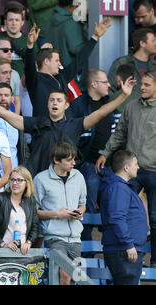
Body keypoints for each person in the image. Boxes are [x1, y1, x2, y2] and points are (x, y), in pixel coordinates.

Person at [0, 74, 135, 176]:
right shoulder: (37, 122)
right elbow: (7, 114)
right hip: (38, 178)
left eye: (59, 100)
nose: (55, 103)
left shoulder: (75, 125)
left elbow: (100, 113)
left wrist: (124, 95)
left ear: (66, 106)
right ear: (48, 104)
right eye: (51, 100)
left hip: (65, 181)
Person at [96, 70, 156, 268]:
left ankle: (154, 261)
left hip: (154, 171)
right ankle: (129, 256)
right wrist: (105, 152)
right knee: (124, 213)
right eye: (141, 84)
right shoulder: (131, 107)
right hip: (132, 170)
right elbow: (119, 134)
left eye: (147, 84)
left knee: (155, 218)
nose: (142, 88)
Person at [25, 20, 111, 117]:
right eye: (57, 61)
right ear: (46, 61)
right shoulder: (35, 80)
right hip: (45, 130)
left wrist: (95, 37)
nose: (59, 64)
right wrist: (30, 46)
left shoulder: (62, 76)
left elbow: (79, 60)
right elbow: (28, 67)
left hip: (66, 129)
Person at [67, 69, 116, 240]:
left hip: (110, 166)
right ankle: (86, 252)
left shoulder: (109, 103)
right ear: (94, 84)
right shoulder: (79, 105)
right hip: (88, 165)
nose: (109, 85)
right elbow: (73, 136)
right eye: (105, 82)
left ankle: (109, 251)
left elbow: (117, 134)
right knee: (86, 208)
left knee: (112, 208)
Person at [33, 141, 86, 285]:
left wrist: (80, 212)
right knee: (64, 274)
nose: (74, 163)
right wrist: (57, 214)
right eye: (69, 160)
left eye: (74, 159)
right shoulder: (40, 179)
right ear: (56, 160)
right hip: (54, 237)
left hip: (76, 239)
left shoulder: (79, 176)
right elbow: (33, 212)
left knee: (76, 279)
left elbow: (83, 204)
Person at [99, 150, 148, 285]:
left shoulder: (122, 187)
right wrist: (128, 244)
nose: (138, 167)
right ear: (126, 168)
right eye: (136, 164)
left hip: (127, 250)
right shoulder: (118, 187)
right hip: (123, 251)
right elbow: (117, 217)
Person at [0, 166, 39, 254]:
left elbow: (35, 227)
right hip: (1, 251)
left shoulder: (31, 201)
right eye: (12, 179)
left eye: (19, 180)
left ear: (27, 183)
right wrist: (3, 244)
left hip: (22, 253)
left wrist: (29, 242)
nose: (14, 183)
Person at [107, 27, 156, 114]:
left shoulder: (154, 65)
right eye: (153, 41)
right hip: (127, 116)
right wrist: (120, 109)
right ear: (142, 43)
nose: (155, 43)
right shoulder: (122, 62)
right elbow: (109, 89)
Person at [44, 0, 88, 67]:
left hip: (53, 67)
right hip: (70, 70)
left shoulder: (51, 18)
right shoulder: (71, 22)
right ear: (74, 5)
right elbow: (77, 48)